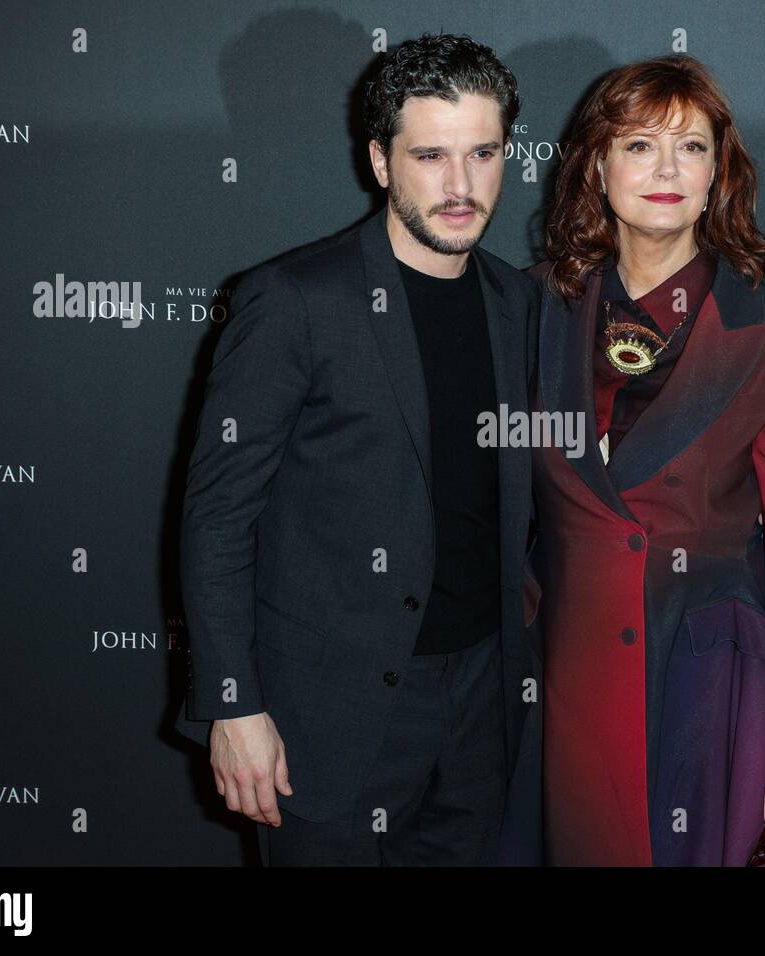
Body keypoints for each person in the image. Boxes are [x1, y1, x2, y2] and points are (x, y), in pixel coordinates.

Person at [174, 33, 541, 866]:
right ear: (380, 161)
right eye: (431, 156)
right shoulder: (294, 300)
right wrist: (234, 707)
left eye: (483, 153)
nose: (460, 185)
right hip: (328, 716)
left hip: (484, 703)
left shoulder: (520, 304)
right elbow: (218, 516)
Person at [513, 54, 765, 866]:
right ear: (596, 163)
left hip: (701, 681)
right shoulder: (533, 308)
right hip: (560, 671)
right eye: (639, 145)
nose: (666, 170)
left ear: (718, 172)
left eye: (691, 148)